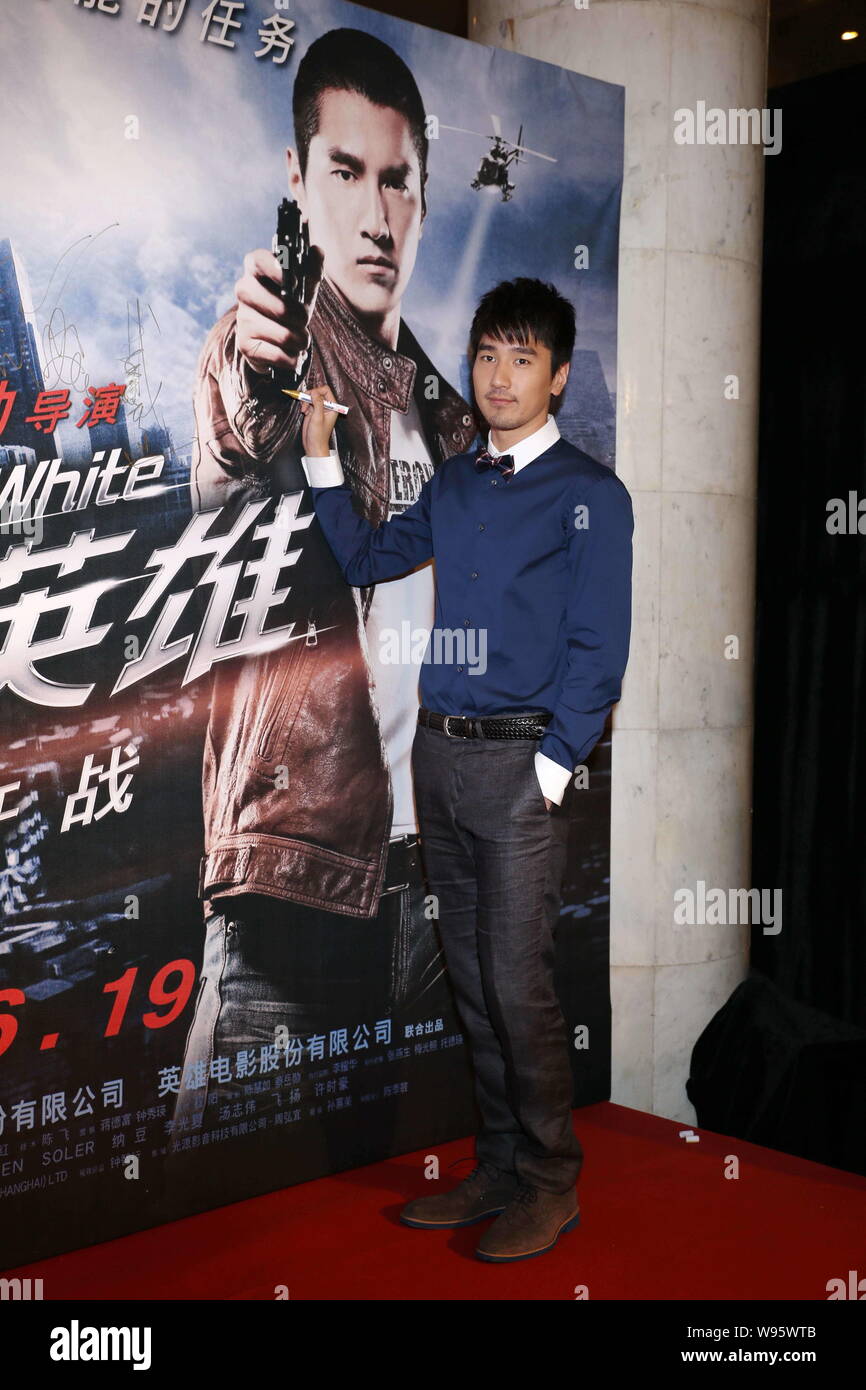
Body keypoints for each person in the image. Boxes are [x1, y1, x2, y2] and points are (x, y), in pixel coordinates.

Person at [170, 29, 477, 1151]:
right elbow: (234, 435)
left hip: (427, 890)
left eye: (396, 178)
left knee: (392, 1227)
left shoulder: (443, 411)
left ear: (425, 202)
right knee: (217, 1242)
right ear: (297, 187)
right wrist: (251, 361)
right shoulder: (273, 347)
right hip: (292, 893)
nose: (374, 211)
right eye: (342, 172)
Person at [299, 276, 634, 1263]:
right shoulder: (450, 485)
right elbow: (364, 559)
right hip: (438, 761)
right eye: (486, 353)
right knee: (472, 982)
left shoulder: (587, 496)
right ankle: (495, 1164)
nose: (496, 375)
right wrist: (321, 461)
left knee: (516, 983)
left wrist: (553, 768)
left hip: (521, 770)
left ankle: (549, 1178)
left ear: (557, 377)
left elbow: (598, 647)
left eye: (521, 358)